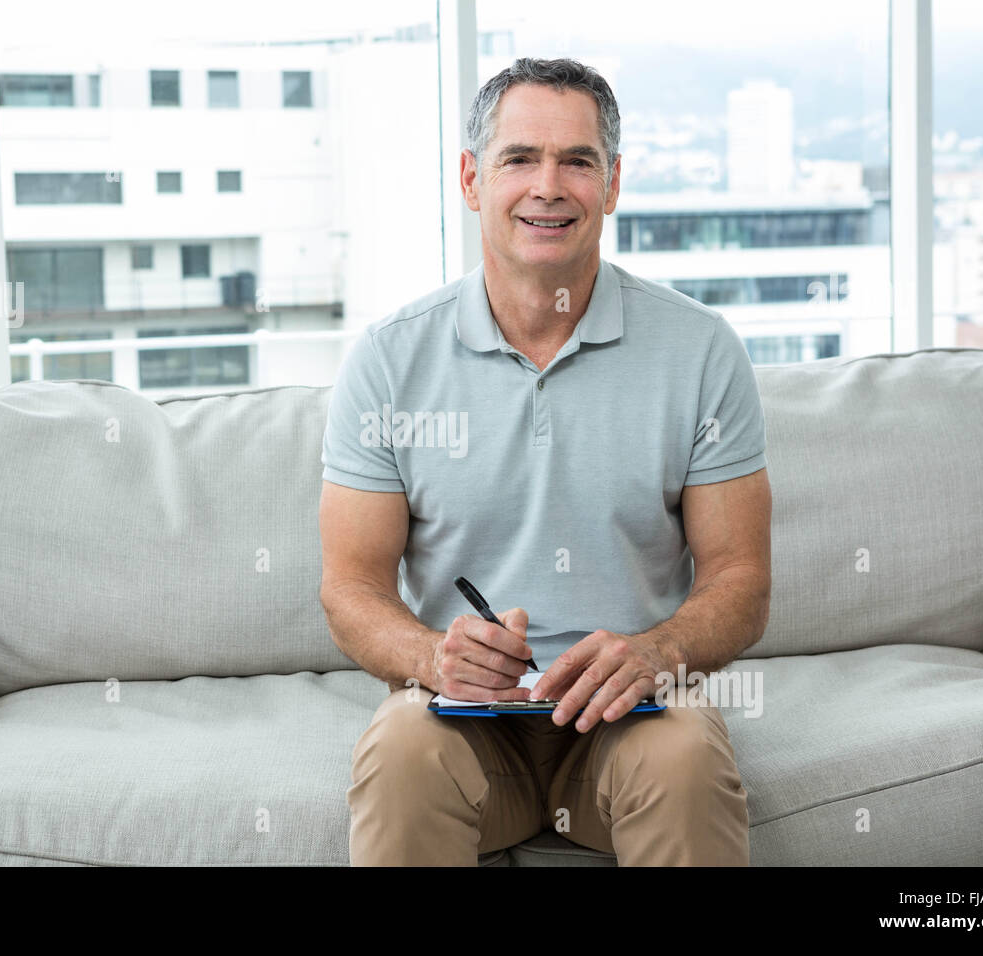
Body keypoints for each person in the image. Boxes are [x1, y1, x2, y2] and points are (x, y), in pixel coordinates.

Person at [318, 56, 771, 866]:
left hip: (631, 717)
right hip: (460, 721)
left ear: (614, 182)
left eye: (578, 161)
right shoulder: (388, 361)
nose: (548, 186)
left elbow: (742, 580)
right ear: (470, 179)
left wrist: (657, 652)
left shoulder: (701, 350)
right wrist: (434, 658)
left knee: (688, 757)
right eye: (519, 158)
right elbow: (349, 586)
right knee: (400, 756)